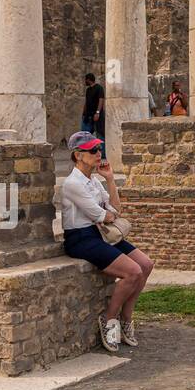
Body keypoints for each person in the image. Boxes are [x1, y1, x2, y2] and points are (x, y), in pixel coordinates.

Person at [60, 131, 154, 351]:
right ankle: (109, 319)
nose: (98, 153)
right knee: (133, 271)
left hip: (100, 233)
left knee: (146, 264)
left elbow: (116, 209)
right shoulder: (73, 183)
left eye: (98, 148)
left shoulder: (93, 181)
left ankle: (127, 318)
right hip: (80, 237)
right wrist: (107, 213)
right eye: (92, 150)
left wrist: (110, 179)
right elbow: (104, 215)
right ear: (78, 156)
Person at [81, 73, 105, 137]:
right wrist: (83, 113)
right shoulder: (88, 90)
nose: (85, 82)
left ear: (88, 80)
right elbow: (86, 101)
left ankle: (101, 147)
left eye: (85, 80)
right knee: (85, 134)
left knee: (99, 134)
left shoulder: (99, 88)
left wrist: (97, 113)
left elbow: (101, 100)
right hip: (88, 115)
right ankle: (87, 147)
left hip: (96, 116)